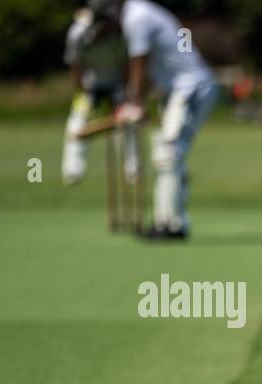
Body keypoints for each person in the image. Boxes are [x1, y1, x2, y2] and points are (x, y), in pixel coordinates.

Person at [89, 0, 218, 239]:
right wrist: (135, 101)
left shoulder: (136, 17)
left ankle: (171, 225)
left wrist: (134, 103)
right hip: (178, 90)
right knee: (166, 152)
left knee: (169, 152)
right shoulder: (140, 12)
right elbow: (147, 72)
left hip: (191, 88)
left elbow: (140, 64)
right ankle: (169, 221)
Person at [61, 6, 138, 187]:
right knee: (77, 122)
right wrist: (80, 92)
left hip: (116, 84)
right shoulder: (77, 34)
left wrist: (127, 93)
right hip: (90, 85)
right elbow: (75, 65)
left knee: (127, 123)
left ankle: (133, 169)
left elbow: (126, 64)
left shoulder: (122, 34)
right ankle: (73, 170)